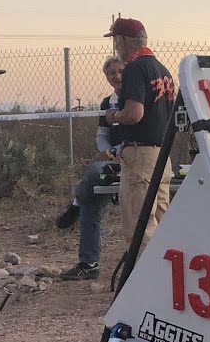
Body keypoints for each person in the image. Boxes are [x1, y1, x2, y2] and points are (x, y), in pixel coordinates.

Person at [102, 17, 175, 256]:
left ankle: (143, 284)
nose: (115, 47)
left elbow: (134, 114)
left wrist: (114, 116)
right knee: (163, 224)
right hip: (162, 155)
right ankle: (165, 282)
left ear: (121, 40)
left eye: (115, 41)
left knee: (140, 227)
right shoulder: (162, 69)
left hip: (140, 154)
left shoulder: (135, 68)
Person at [54, 57, 125, 280]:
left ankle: (75, 204)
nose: (116, 76)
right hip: (114, 158)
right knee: (92, 197)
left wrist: (122, 151)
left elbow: (142, 131)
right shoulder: (107, 103)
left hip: (136, 157)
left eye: (120, 71)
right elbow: (102, 135)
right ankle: (88, 263)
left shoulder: (136, 97)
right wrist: (110, 151)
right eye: (111, 73)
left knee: (93, 174)